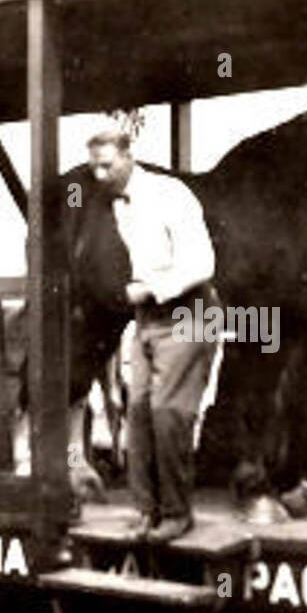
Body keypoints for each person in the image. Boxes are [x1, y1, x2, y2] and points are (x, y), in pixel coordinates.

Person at [88, 129, 218, 542]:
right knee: (139, 412)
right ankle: (147, 510)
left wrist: (148, 288)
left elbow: (201, 263)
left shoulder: (171, 195)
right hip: (148, 319)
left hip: (190, 313)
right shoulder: (117, 205)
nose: (100, 173)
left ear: (129, 156)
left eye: (107, 164)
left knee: (169, 412)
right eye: (94, 165)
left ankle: (178, 514)